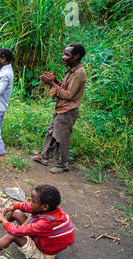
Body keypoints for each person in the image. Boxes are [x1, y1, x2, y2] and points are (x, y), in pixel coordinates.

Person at [0, 184, 75, 259]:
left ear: (44, 206)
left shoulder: (47, 222)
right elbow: (27, 206)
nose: (30, 203)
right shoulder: (52, 210)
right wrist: (10, 208)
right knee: (17, 212)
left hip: (44, 255)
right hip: (44, 239)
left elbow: (16, 231)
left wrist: (4, 220)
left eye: (33, 201)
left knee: (12, 234)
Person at [33, 44, 87, 174]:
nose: (63, 57)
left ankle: (62, 165)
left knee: (61, 138)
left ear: (77, 56)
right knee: (52, 132)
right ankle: (44, 156)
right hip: (62, 108)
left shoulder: (79, 73)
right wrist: (54, 81)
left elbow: (68, 95)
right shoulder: (72, 70)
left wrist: (52, 84)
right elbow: (64, 89)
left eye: (67, 55)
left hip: (68, 110)